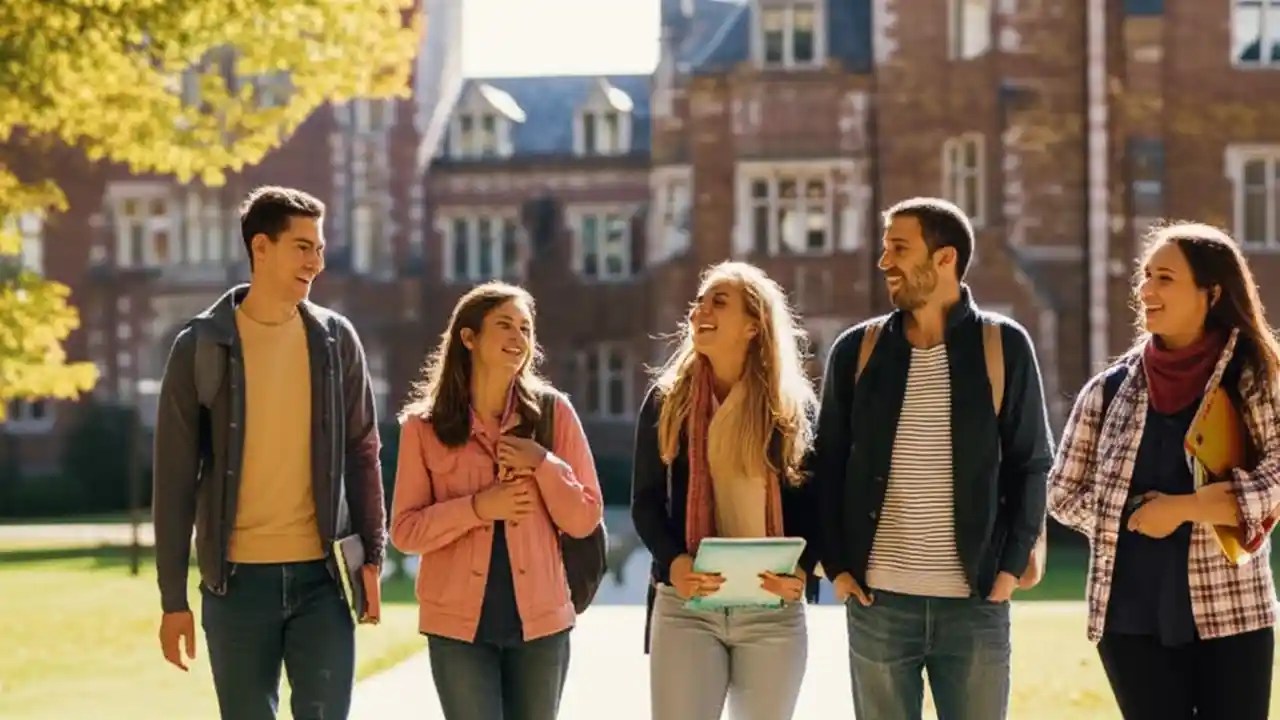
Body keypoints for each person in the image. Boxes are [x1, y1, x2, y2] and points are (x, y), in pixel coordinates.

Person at [812, 196, 1054, 720]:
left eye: (899, 248)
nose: (884, 262)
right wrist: (836, 566)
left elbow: (1032, 462)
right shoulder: (856, 351)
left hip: (976, 604)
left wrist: (1011, 568)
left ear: (945, 258)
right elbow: (825, 464)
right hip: (878, 604)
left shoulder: (1004, 345)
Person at [152, 185, 386, 720]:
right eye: (303, 247)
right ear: (261, 247)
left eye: (319, 248)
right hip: (236, 586)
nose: (316, 262)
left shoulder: (336, 341)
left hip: (323, 582)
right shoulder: (200, 347)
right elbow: (174, 479)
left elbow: (363, 451)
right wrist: (172, 600)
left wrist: (372, 556)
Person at [1048, 222, 1280, 719]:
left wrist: (1190, 508)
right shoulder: (1107, 391)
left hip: (1232, 612)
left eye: (1165, 278)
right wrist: (1131, 517)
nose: (1146, 290)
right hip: (1129, 620)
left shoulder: (1254, 377)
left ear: (1211, 293)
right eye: (1146, 276)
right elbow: (1063, 494)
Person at [390, 281, 603, 720]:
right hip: (457, 629)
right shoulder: (422, 428)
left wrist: (542, 462)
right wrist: (479, 508)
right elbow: (405, 532)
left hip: (541, 625)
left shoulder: (554, 414)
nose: (518, 337)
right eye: (504, 325)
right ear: (468, 338)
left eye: (525, 328)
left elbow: (584, 518)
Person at [630, 261, 822, 720]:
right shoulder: (666, 402)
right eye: (699, 302)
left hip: (771, 607)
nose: (700, 311)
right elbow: (646, 503)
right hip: (687, 605)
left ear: (754, 326)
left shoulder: (792, 409)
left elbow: (819, 505)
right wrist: (674, 563)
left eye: (719, 302)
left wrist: (804, 570)